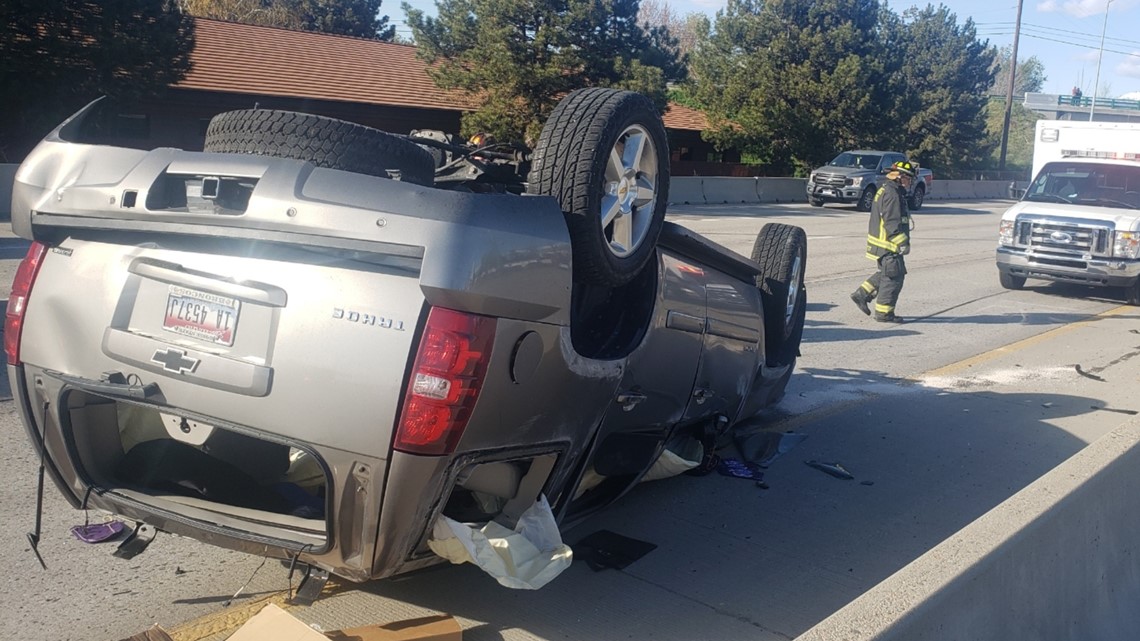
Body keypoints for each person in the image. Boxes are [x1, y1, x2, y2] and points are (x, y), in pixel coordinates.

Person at [850, 160, 915, 323]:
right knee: (894, 278)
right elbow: (892, 221)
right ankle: (884, 313)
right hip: (888, 244)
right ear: (899, 177)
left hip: (883, 244)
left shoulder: (888, 189)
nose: (910, 182)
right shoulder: (892, 194)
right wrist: (901, 243)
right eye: (908, 178)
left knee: (887, 274)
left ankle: (862, 294)